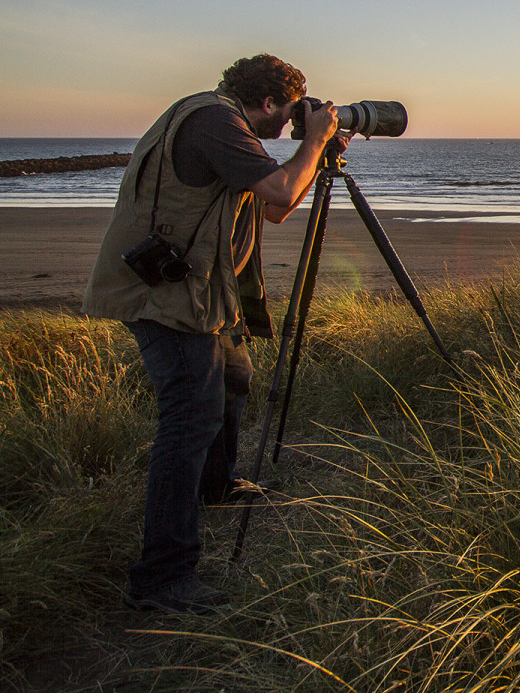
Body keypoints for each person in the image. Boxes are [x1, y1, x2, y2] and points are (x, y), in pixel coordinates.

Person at [83, 54, 345, 615]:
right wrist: (314, 142)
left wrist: (315, 151)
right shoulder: (214, 121)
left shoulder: (228, 127)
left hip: (200, 294)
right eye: (291, 111)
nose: (292, 122)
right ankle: (162, 576)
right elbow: (279, 191)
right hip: (167, 297)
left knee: (232, 378)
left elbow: (275, 209)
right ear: (271, 102)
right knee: (189, 417)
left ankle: (216, 487)